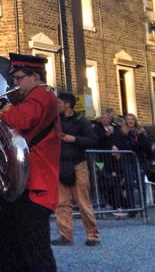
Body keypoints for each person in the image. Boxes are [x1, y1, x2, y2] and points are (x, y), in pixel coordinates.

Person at [0, 53, 61, 272]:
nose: (15, 84)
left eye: (19, 78)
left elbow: (21, 120)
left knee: (34, 250)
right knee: (9, 244)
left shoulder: (43, 95)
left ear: (35, 77)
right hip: (21, 184)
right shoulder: (30, 97)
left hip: (35, 184)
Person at [52, 91, 99, 246]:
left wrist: (75, 139)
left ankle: (93, 235)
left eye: (59, 103)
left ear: (67, 104)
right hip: (60, 163)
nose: (56, 105)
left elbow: (93, 140)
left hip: (78, 164)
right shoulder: (55, 120)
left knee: (83, 202)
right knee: (61, 202)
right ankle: (65, 235)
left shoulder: (82, 121)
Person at [113, 112, 151, 212]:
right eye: (128, 119)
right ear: (126, 121)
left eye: (132, 119)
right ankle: (131, 208)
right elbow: (121, 145)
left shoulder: (141, 132)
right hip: (127, 160)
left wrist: (136, 141)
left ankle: (143, 207)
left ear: (135, 121)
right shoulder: (121, 132)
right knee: (129, 183)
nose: (130, 121)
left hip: (139, 160)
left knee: (140, 183)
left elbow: (146, 145)